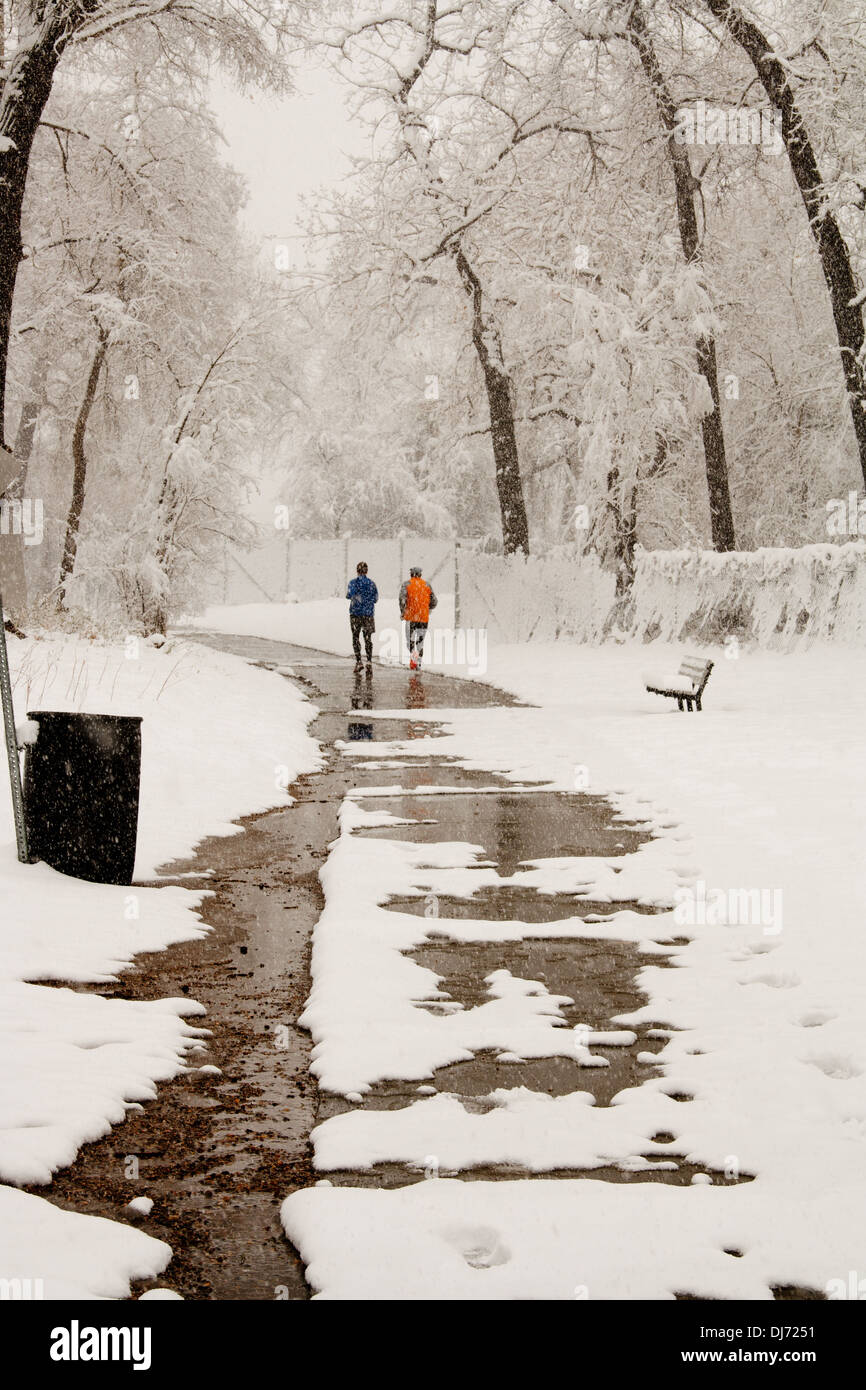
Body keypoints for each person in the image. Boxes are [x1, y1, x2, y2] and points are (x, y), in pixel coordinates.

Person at [399, 565, 437, 670]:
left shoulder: (406, 585)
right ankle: (419, 662)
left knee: (410, 640)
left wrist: (403, 612)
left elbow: (402, 600)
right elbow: (434, 601)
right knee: (420, 641)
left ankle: (413, 660)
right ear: (420, 574)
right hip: (423, 617)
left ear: (411, 574)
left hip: (411, 618)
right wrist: (427, 608)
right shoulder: (427, 585)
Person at [346, 561, 378, 672]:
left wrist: (357, 598)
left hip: (355, 614)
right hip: (368, 615)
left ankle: (359, 661)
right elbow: (375, 599)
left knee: (356, 638)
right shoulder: (372, 584)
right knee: (368, 638)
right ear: (366, 571)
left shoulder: (353, 583)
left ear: (357, 571)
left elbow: (349, 595)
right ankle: (369, 661)